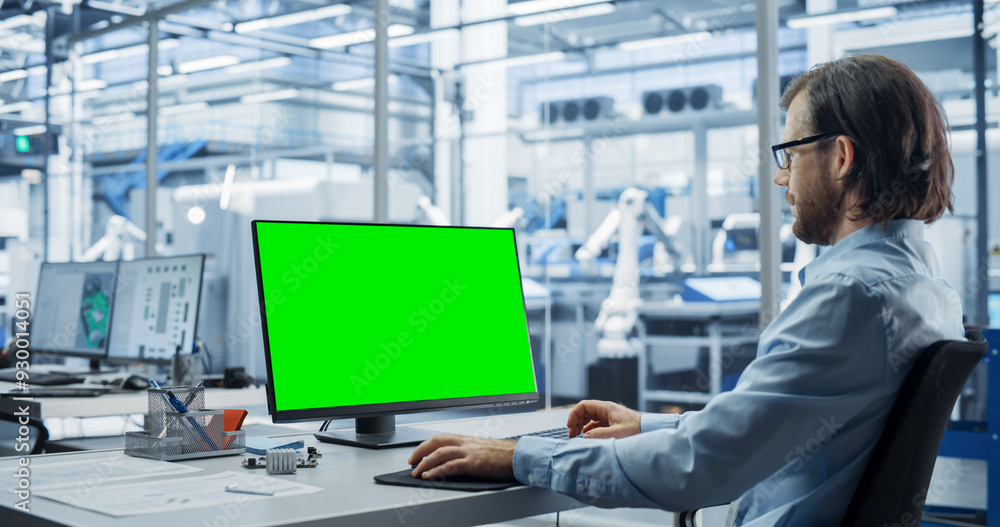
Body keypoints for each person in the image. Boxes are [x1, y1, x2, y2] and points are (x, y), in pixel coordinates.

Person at [409, 53, 964, 526]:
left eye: (791, 155)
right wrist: (647, 425)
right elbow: (755, 428)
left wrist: (517, 456)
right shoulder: (924, 286)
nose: (781, 178)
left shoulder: (850, 296)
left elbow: (699, 467)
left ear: (841, 157)